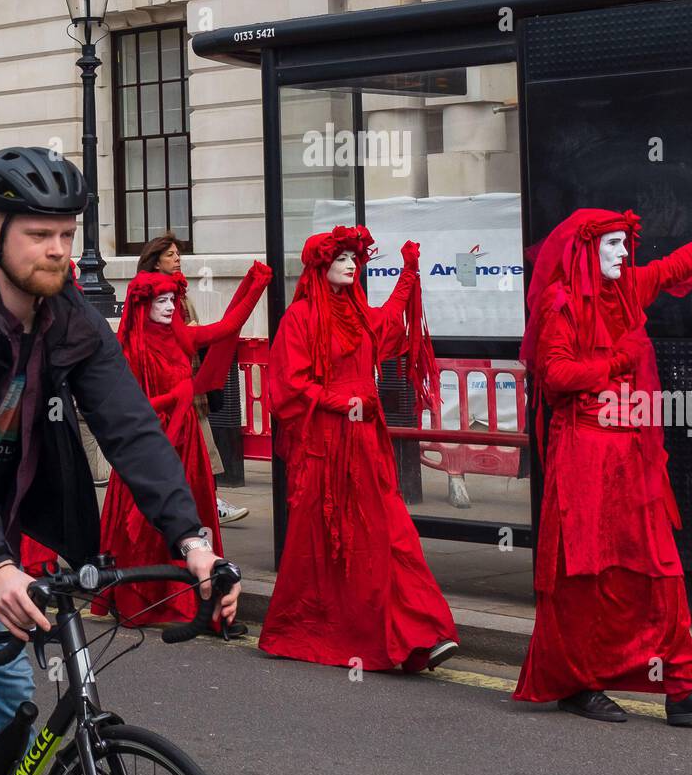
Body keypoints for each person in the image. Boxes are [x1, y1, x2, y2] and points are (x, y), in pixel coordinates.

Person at [0, 147, 240, 775]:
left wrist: (195, 541)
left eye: (67, 234)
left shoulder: (69, 317)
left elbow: (131, 428)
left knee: (13, 711)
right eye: (40, 234)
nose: (58, 249)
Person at [513, 183, 692, 724]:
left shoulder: (629, 288)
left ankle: (682, 686)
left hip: (631, 457)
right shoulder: (559, 303)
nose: (621, 252)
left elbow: (686, 261)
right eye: (610, 244)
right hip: (584, 455)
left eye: (622, 243)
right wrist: (614, 361)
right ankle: (577, 682)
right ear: (585, 250)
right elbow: (556, 375)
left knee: (659, 568)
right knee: (586, 574)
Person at [258, 225, 459, 673]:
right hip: (325, 444)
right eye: (342, 258)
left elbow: (388, 323)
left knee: (390, 532)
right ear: (321, 266)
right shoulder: (301, 318)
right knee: (328, 541)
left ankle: (419, 633)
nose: (352, 265)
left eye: (355, 258)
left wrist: (408, 273)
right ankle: (334, 633)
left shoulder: (358, 311)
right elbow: (290, 386)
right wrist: (341, 400)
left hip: (366, 440)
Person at [92, 260, 270, 629]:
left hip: (186, 440)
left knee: (190, 517)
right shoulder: (128, 348)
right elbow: (126, 407)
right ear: (144, 305)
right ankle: (145, 595)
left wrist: (256, 283)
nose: (171, 307)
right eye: (162, 301)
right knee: (145, 520)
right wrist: (173, 398)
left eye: (173, 299)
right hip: (148, 442)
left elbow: (228, 327)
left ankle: (194, 595)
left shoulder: (180, 336)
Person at [136, 232, 249, 526]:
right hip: (168, 393)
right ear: (155, 260)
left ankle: (207, 502)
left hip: (189, 384)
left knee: (202, 452)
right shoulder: (148, 297)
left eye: (178, 254)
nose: (177, 259)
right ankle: (200, 505)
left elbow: (225, 327)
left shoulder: (179, 294)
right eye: (171, 254)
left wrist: (255, 282)